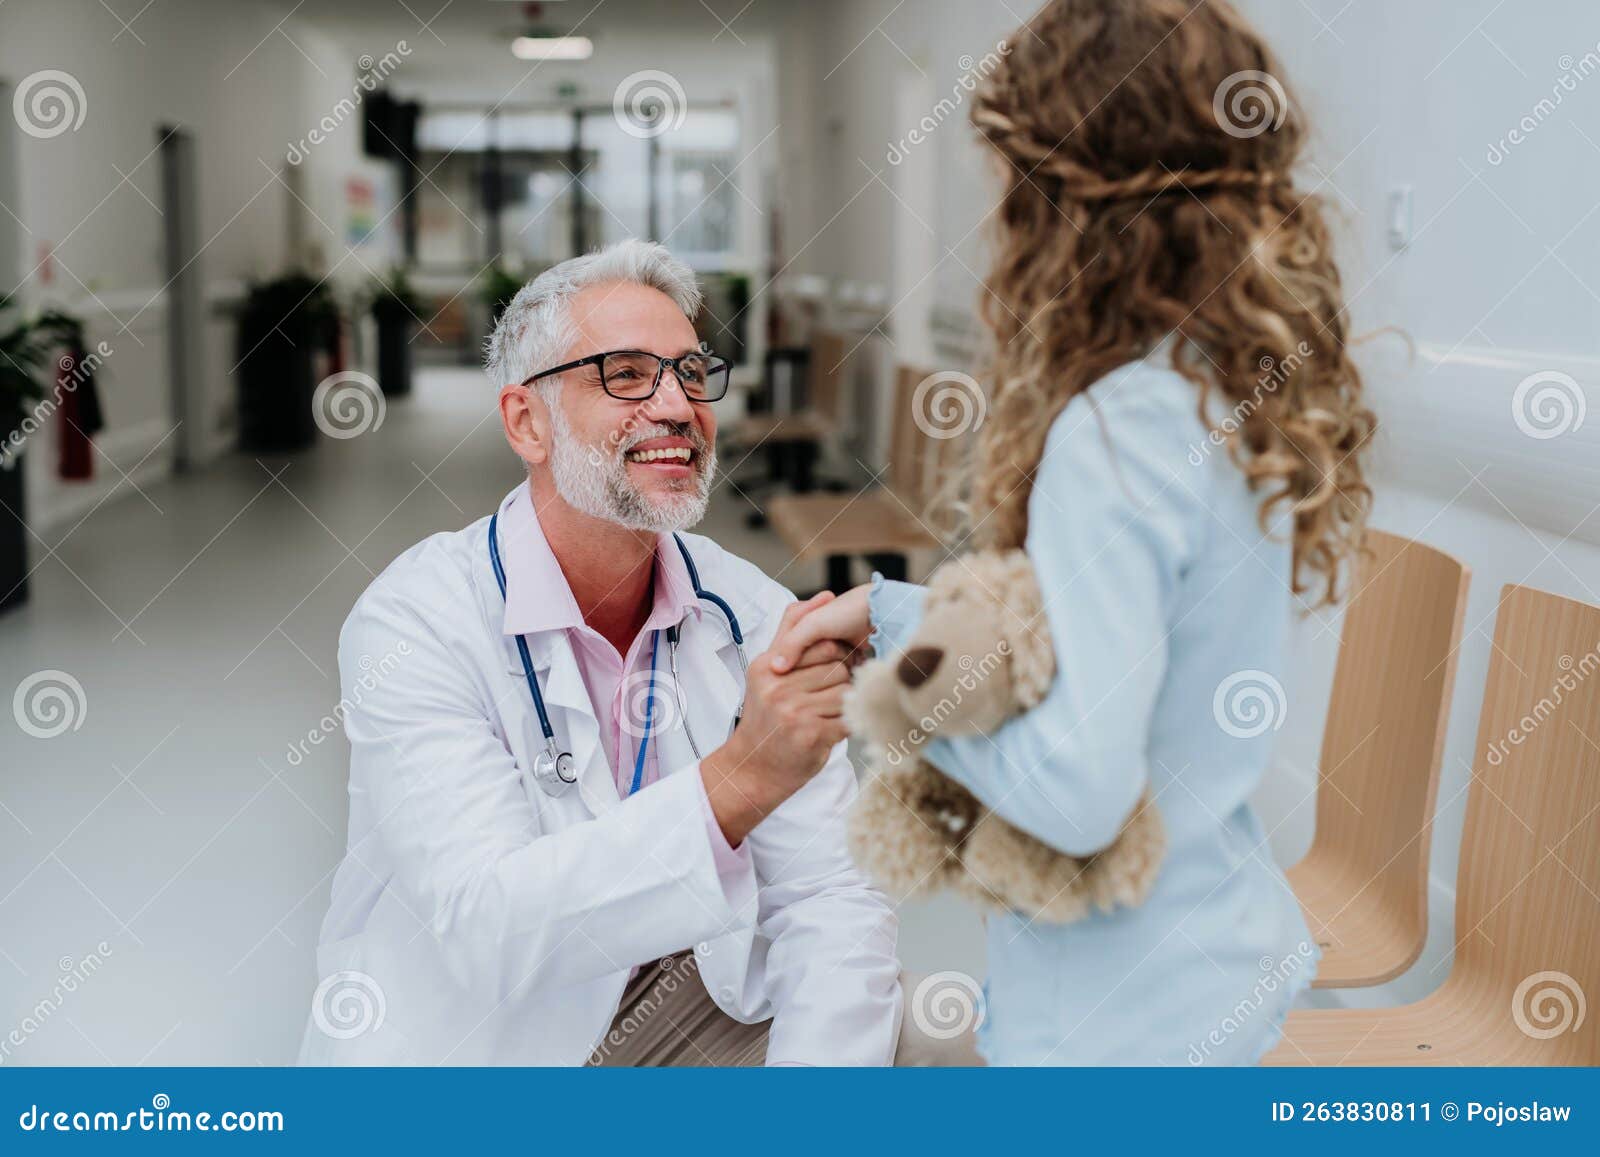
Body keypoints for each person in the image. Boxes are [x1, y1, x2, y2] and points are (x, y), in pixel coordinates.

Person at [772, 0, 1376, 1065]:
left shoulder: (1116, 433)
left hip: (1113, 1027)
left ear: (1065, 198)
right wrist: (901, 613)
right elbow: (1139, 674)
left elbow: (1077, 793)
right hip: (1218, 963)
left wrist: (910, 698)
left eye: (1009, 170)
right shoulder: (1223, 399)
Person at [298, 240, 906, 1066]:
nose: (675, 405)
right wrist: (742, 777)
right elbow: (491, 929)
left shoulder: (755, 613)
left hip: (686, 1010)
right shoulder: (417, 621)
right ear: (526, 421)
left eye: (690, 372)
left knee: (924, 1046)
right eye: (624, 373)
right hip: (481, 1044)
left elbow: (827, 894)